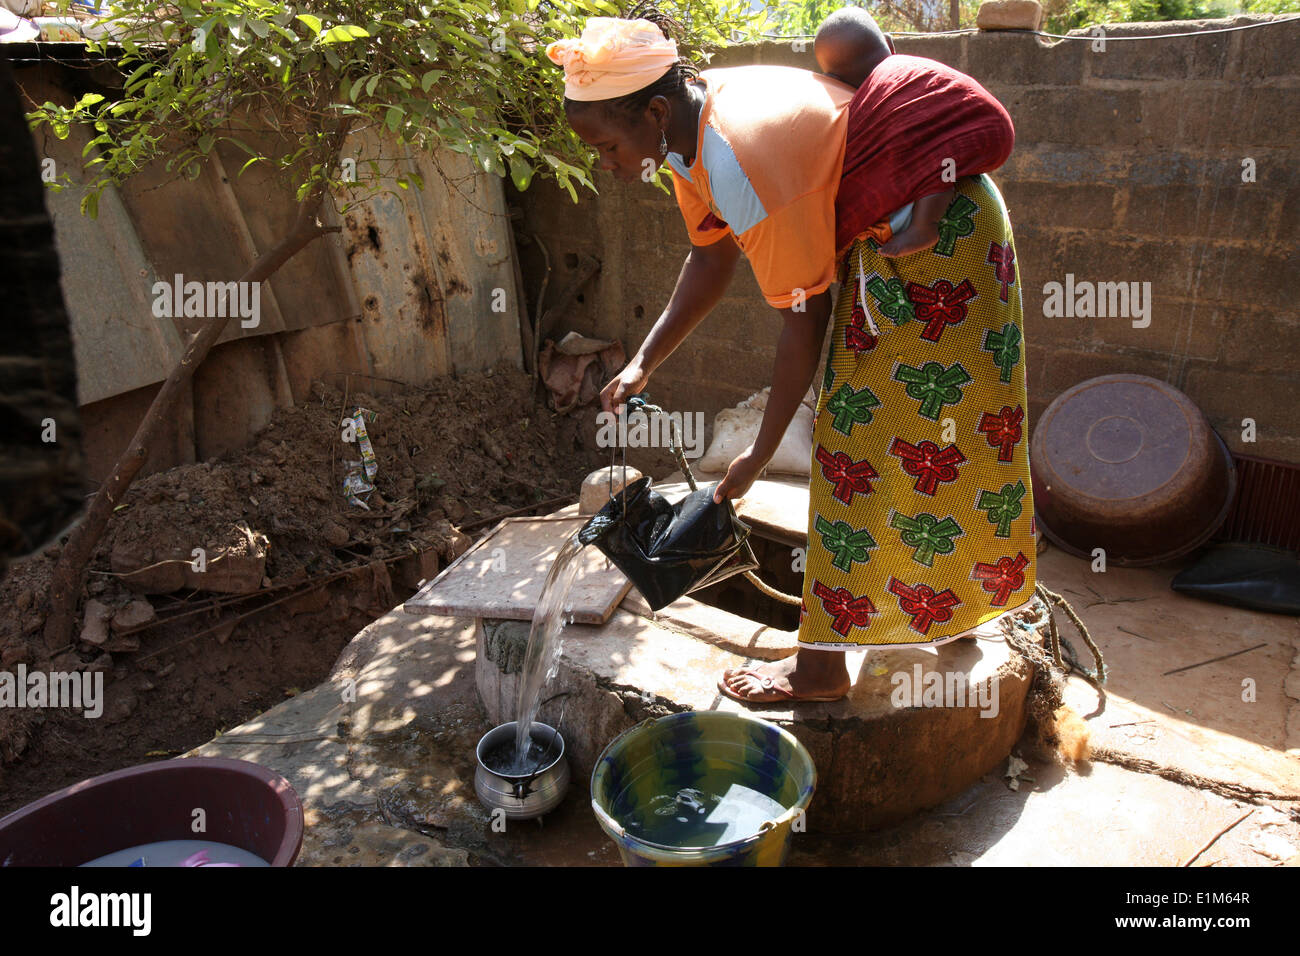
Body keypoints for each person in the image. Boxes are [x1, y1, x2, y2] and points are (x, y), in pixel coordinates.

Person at [546, 4, 1036, 704]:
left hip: (938, 251)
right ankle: (947, 610)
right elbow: (708, 260)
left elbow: (804, 321)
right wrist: (644, 361)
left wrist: (755, 457)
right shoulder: (688, 128)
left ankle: (821, 670)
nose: (608, 165)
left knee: (855, 450)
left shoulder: (739, 156)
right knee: (928, 439)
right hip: (927, 228)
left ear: (652, 113)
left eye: (607, 148)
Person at [813, 8, 955, 260]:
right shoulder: (917, 77)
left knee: (935, 160)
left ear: (832, 79)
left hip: (923, 241)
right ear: (890, 43)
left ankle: (925, 227)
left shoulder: (857, 118)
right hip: (980, 214)